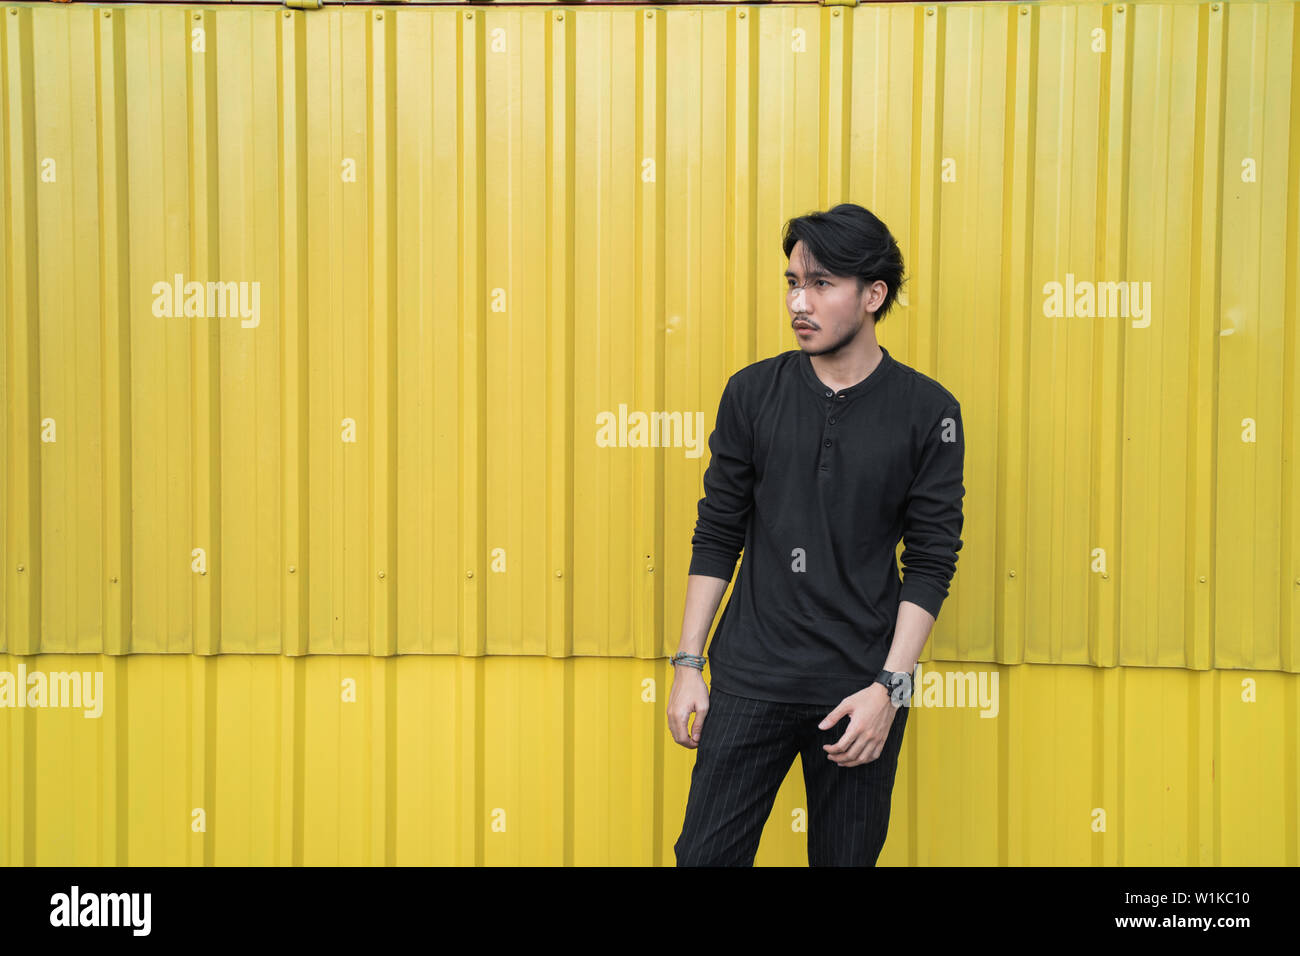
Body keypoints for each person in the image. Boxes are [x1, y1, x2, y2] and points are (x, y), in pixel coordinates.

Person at [667, 202, 965, 866]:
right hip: (751, 676)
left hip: (859, 688)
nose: (799, 301)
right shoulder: (752, 394)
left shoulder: (929, 412)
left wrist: (890, 689)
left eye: (822, 283)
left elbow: (932, 557)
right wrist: (689, 664)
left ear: (873, 295)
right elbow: (718, 531)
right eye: (792, 282)